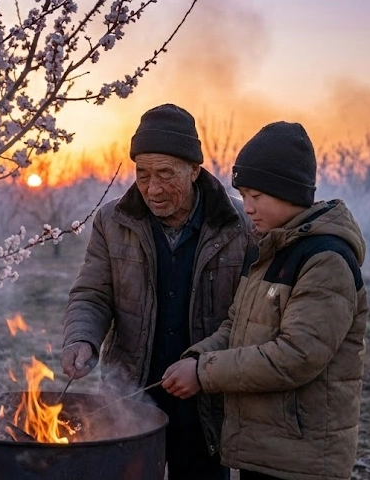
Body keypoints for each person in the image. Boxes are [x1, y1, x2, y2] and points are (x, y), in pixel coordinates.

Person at [162, 121, 369, 480]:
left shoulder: (325, 260)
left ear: (290, 193)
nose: (248, 207)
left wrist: (204, 373)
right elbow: (236, 325)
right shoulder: (270, 250)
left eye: (257, 196)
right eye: (243, 194)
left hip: (302, 455)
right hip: (265, 446)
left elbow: (297, 356)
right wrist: (197, 357)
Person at [61, 104, 251, 480]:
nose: (153, 188)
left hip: (206, 400)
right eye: (143, 173)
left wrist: (203, 368)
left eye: (166, 173)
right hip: (130, 393)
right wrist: (82, 338)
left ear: (195, 170)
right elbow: (92, 294)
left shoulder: (240, 226)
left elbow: (246, 317)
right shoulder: (112, 221)